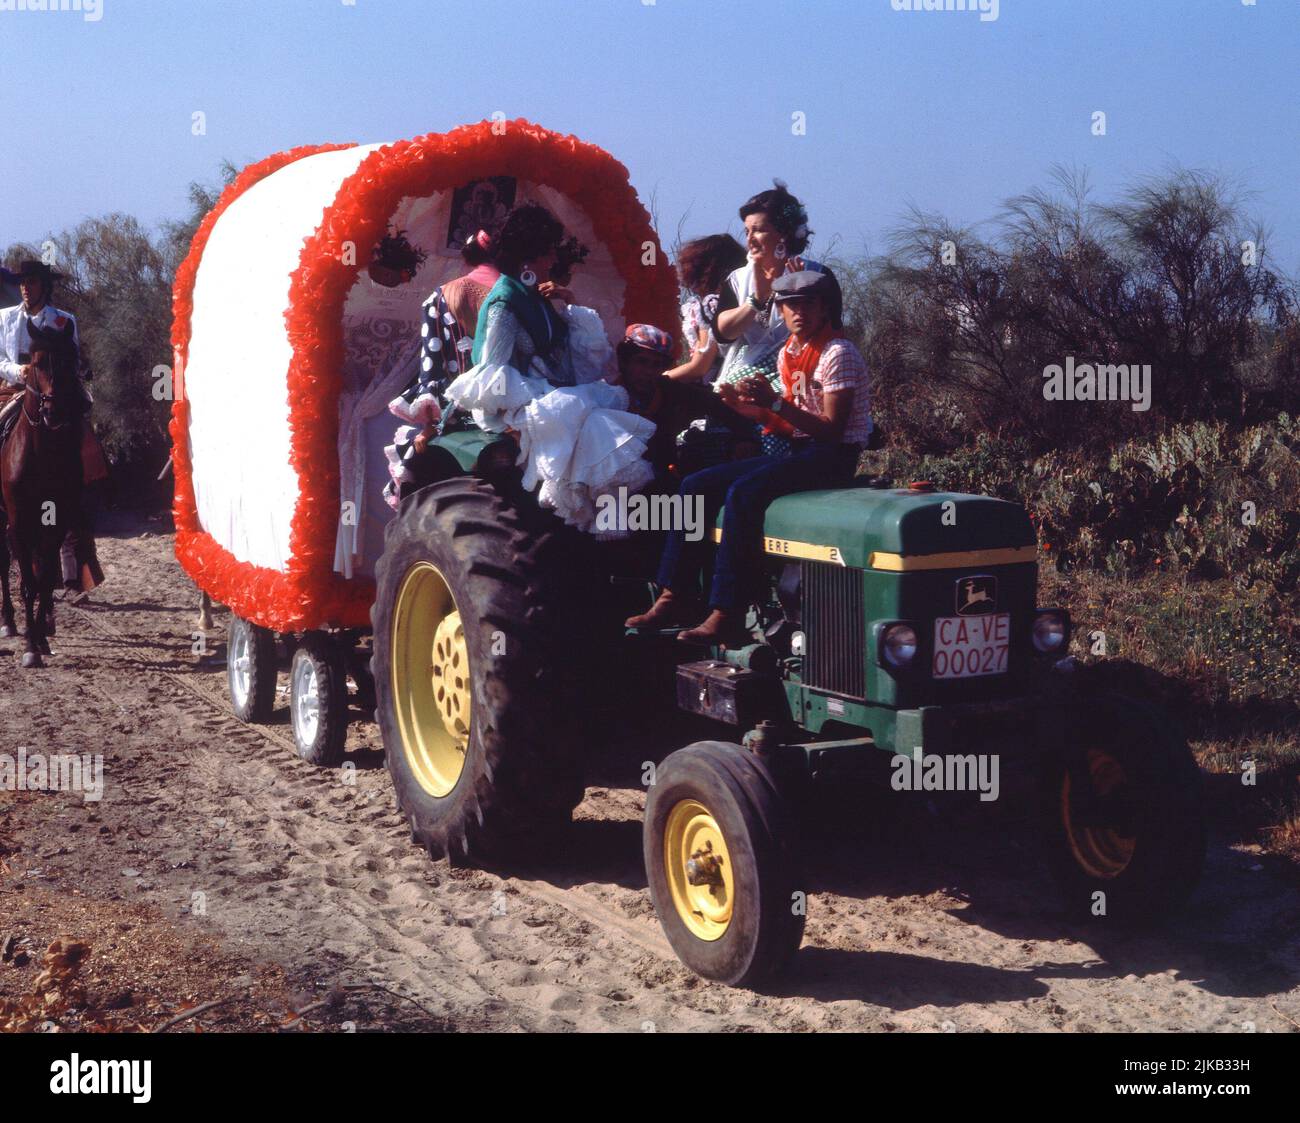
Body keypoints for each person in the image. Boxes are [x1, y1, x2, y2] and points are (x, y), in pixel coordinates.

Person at [626, 270, 870, 643]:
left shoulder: (838, 353)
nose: (798, 312)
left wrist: (773, 403)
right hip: (803, 450)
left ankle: (728, 610)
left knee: (743, 491)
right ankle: (674, 593)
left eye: (808, 304)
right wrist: (746, 408)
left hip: (833, 457)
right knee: (695, 485)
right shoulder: (791, 351)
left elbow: (831, 430)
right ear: (781, 311)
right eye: (790, 305)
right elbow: (790, 427)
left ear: (824, 309)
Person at [445, 203, 652, 531]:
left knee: (601, 423)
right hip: (520, 409)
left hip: (556, 398)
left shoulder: (537, 297)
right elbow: (491, 372)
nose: (555, 260)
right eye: (549, 253)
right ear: (529, 258)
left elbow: (579, 362)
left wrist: (566, 302)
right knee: (591, 421)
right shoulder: (505, 301)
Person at [0, 259, 104, 593]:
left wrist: (49, 378)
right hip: (13, 388)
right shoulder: (4, 319)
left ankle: (89, 491)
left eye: (31, 282)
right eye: (22, 283)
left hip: (52, 391)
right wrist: (21, 373)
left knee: (85, 441)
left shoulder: (63, 320)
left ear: (44, 286)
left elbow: (73, 360)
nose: (26, 288)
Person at [382, 229, 501, 507]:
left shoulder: (439, 298)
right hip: (509, 412)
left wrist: (431, 424)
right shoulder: (515, 295)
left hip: (456, 414)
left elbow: (432, 367)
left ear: (467, 259)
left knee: (418, 474)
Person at [614, 323, 755, 484]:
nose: (648, 371)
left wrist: (745, 439)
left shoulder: (668, 389)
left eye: (656, 365)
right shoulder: (609, 394)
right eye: (641, 362)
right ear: (625, 362)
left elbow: (720, 406)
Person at [665, 234, 747, 385]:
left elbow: (700, 366)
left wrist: (662, 377)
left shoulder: (712, 306)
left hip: (718, 382)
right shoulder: (738, 302)